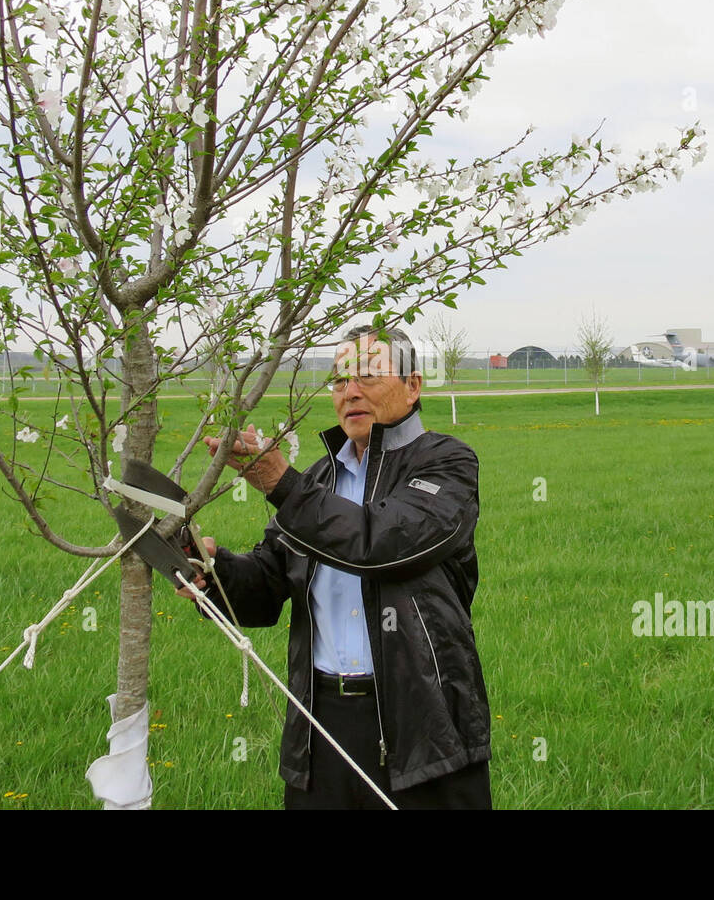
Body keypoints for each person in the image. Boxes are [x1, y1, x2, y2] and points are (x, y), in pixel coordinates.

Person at [182, 324, 492, 809]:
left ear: (414, 385)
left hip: (423, 727)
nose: (350, 392)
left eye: (368, 375)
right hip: (320, 724)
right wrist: (213, 572)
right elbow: (267, 585)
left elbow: (381, 542)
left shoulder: (446, 463)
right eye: (339, 380)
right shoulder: (319, 481)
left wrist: (283, 485)